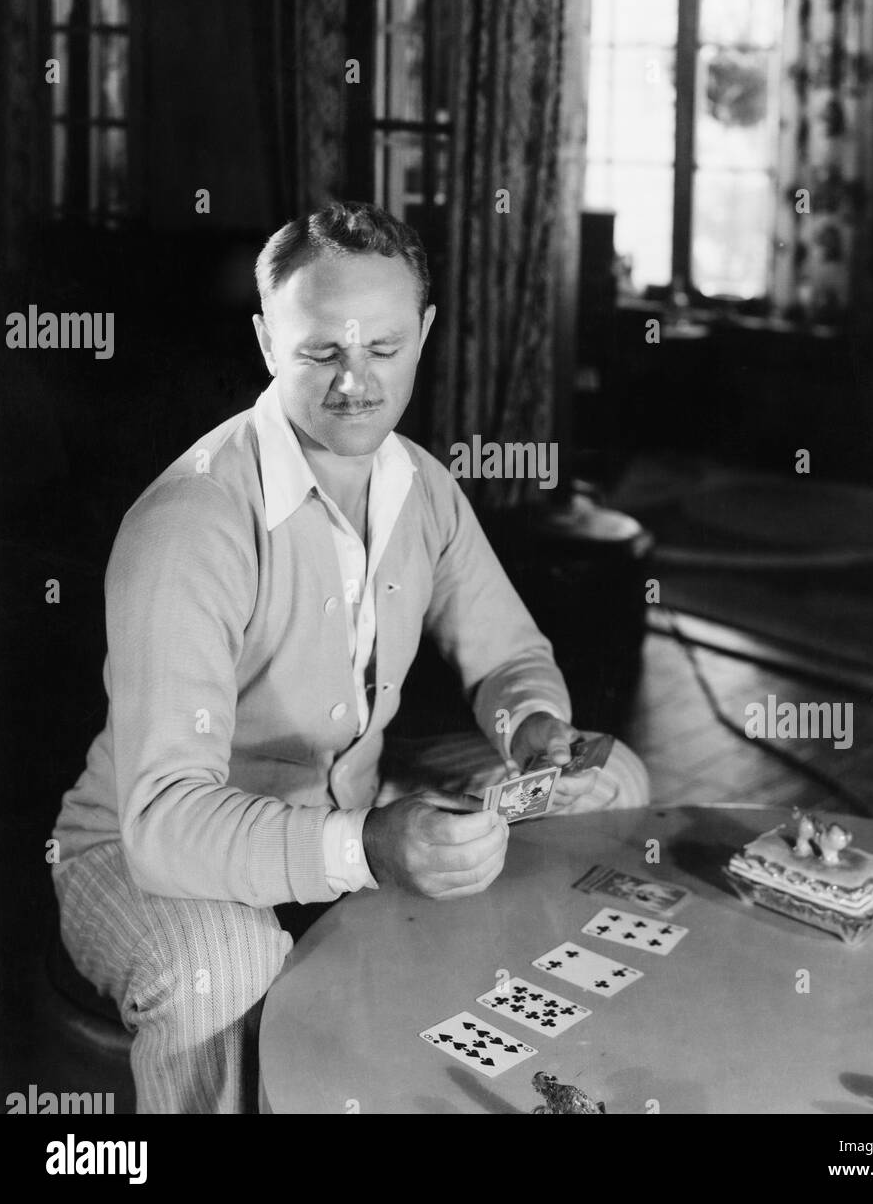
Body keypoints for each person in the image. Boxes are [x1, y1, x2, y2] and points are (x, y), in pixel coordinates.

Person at [51, 201, 650, 1114]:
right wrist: (370, 845)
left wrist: (537, 730)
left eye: (383, 348)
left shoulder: (423, 485)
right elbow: (165, 825)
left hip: (345, 825)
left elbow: (507, 655)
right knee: (225, 964)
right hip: (136, 857)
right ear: (264, 342)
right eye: (321, 352)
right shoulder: (190, 523)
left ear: (425, 334)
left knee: (621, 780)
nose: (354, 384)